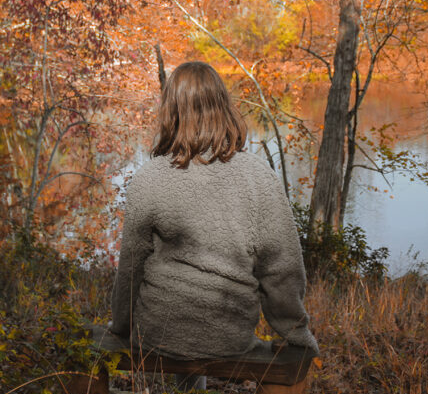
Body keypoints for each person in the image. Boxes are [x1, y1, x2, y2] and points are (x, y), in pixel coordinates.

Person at [109, 61, 319, 365]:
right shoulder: (258, 176)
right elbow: (282, 266)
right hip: (229, 338)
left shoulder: (149, 177)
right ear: (223, 106)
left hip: (158, 333)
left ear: (171, 111)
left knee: (172, 348)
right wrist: (295, 332)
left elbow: (131, 268)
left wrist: (121, 326)